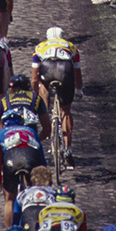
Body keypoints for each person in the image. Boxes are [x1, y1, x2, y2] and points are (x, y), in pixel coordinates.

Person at [31, 27, 82, 166]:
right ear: (62, 37)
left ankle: (45, 117)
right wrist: (78, 89)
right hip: (65, 69)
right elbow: (77, 72)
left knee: (43, 87)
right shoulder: (71, 46)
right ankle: (68, 148)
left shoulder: (40, 47)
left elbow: (34, 79)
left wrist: (35, 95)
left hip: (47, 68)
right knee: (65, 110)